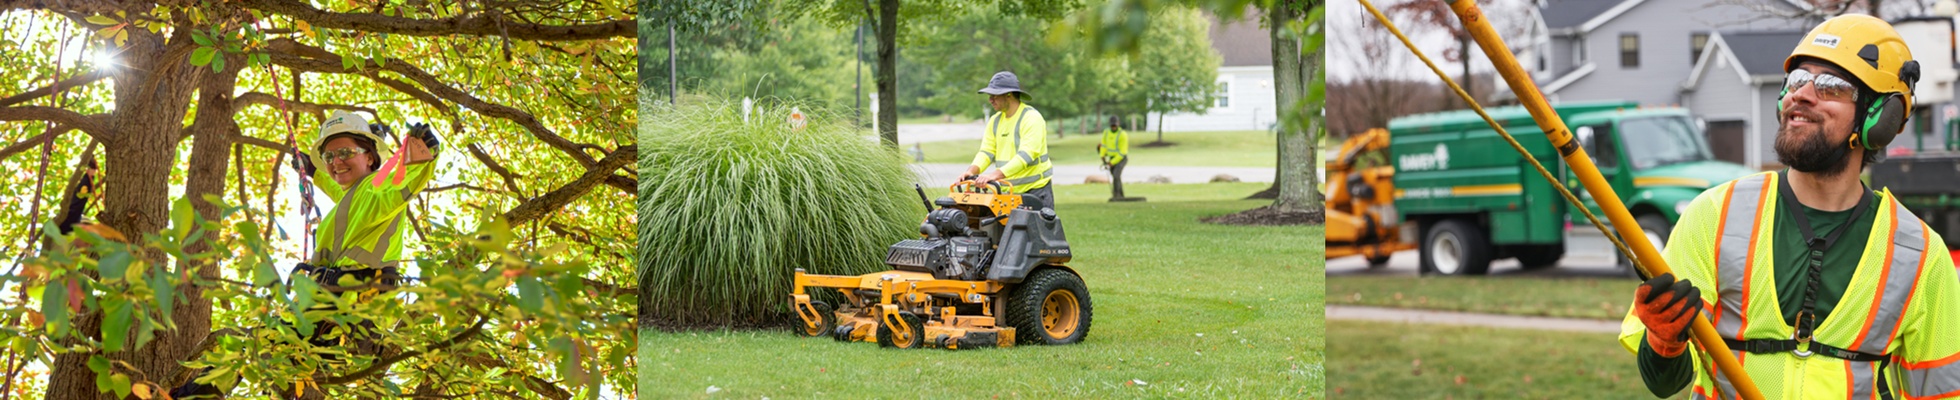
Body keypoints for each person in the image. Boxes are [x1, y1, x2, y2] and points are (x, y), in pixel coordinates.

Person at [1620, 15, 1960, 399]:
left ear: (1880, 118)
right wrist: (1665, 341)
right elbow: (1664, 383)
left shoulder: (1920, 255)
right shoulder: (1714, 216)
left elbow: (1941, 392)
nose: (1801, 94)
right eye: (1797, 81)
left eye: (1831, 86)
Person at [173, 110, 441, 399]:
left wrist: (423, 153)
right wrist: (314, 172)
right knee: (249, 354)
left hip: (346, 315)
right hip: (320, 315)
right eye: (329, 157)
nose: (336, 163)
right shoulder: (354, 197)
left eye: (346, 152)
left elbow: (404, 177)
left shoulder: (379, 192)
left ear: (371, 157)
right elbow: (343, 192)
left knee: (249, 352)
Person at [963, 71, 1055, 210]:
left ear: (1009, 94)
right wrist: (971, 171)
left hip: (1035, 192)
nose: (990, 100)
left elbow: (1027, 155)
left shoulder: (1031, 118)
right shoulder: (995, 121)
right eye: (990, 96)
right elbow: (986, 152)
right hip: (1008, 193)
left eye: (994, 95)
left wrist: (994, 175)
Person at [1097, 116, 1130, 200]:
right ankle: (1120, 195)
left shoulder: (1123, 134)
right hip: (1111, 158)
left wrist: (1112, 163)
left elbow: (1122, 152)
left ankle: (1116, 195)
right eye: (1112, 126)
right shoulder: (1106, 132)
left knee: (1116, 175)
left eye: (1115, 125)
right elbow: (1103, 145)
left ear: (1118, 124)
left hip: (1121, 159)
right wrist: (1102, 156)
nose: (1114, 127)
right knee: (1116, 177)